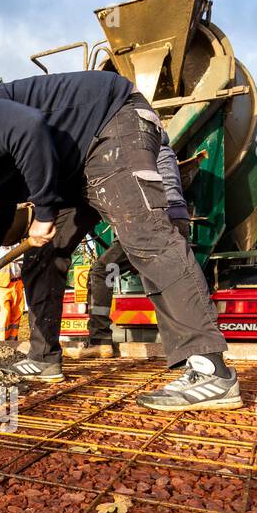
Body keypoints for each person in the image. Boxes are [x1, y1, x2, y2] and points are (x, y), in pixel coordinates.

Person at [0, 71, 239, 411]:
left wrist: (46, 213)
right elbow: (0, 208)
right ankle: (43, 357)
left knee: (148, 237)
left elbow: (30, 128)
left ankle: (210, 369)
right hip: (76, 170)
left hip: (112, 124)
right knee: (43, 258)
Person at [68, 142, 192, 360]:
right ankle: (185, 347)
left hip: (150, 222)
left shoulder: (139, 148)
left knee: (102, 271)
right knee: (164, 285)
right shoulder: (164, 151)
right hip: (178, 219)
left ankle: (100, 340)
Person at [0, 244, 24, 341]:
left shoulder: (18, 243)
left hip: (18, 283)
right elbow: (10, 256)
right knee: (3, 315)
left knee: (17, 315)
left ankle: (13, 342)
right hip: (1, 285)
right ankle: (1, 344)